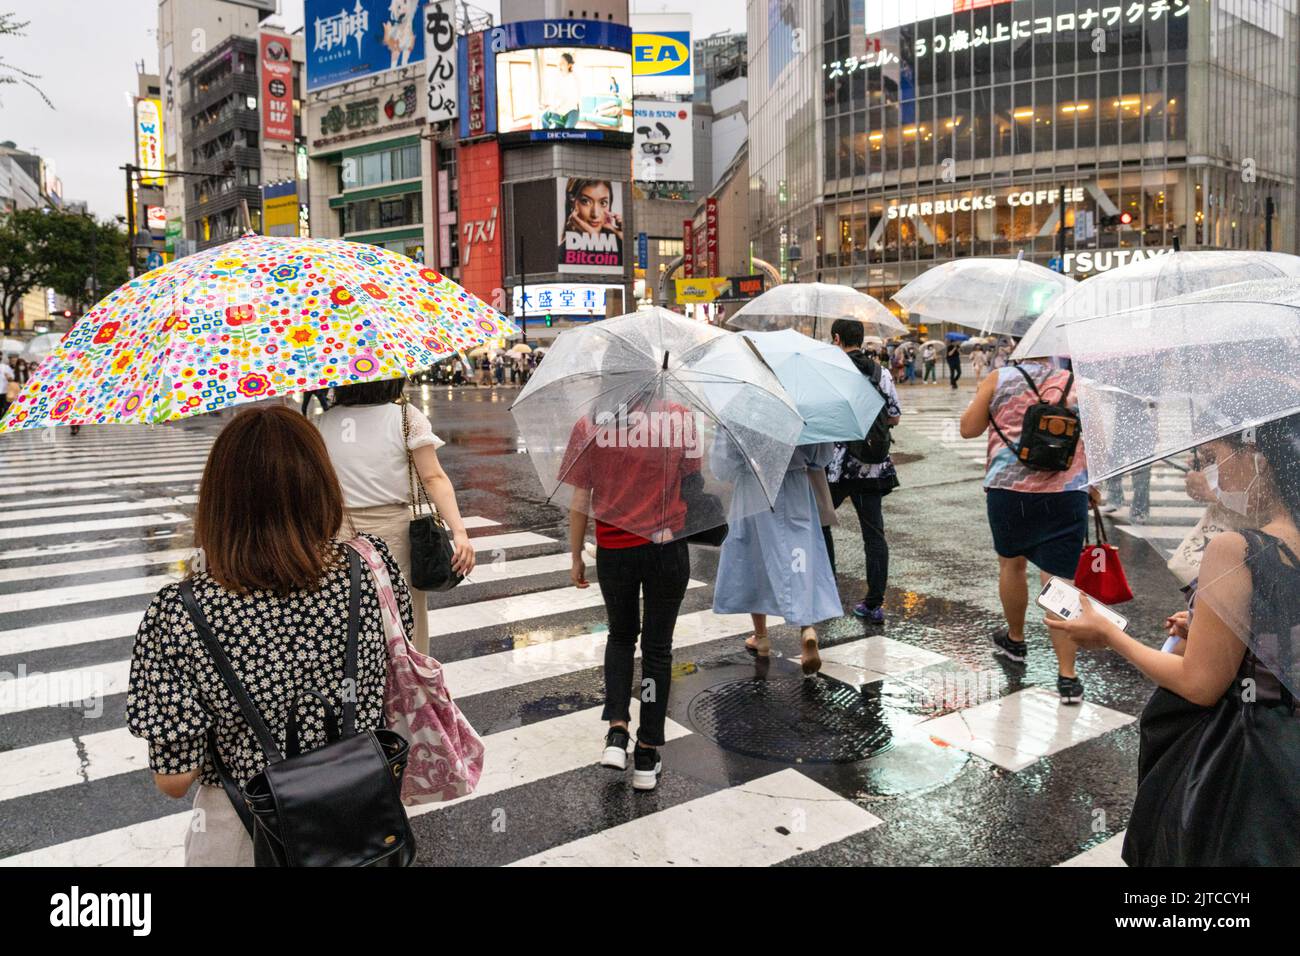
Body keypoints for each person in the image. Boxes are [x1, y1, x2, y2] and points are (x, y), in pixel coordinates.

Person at [125, 404, 413, 866]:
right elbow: (392, 666)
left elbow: (174, 780)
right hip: (359, 819)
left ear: (219, 499)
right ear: (321, 486)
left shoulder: (179, 611)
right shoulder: (370, 566)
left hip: (244, 830)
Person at [1048, 415, 1300, 865]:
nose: (1207, 476)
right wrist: (1216, 630)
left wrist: (1108, 634)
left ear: (1258, 458)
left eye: (1214, 459)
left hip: (1250, 763)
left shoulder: (1237, 548)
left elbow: (1199, 683)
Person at [563, 398, 696, 792]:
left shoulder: (590, 422)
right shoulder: (678, 417)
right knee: (657, 649)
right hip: (666, 547)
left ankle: (617, 732)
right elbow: (693, 480)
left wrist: (575, 554)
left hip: (614, 550)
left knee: (621, 637)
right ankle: (647, 752)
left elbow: (580, 498)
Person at [960, 355, 1093, 703]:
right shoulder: (1077, 384)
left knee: (1011, 564)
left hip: (1008, 491)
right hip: (1066, 492)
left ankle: (1016, 641)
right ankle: (1068, 677)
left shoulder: (999, 378)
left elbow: (968, 429)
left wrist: (985, 397)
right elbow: (1099, 444)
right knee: (1060, 582)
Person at [318, 377, 475, 655]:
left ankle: (360, 686)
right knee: (404, 617)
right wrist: (459, 532)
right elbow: (433, 477)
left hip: (337, 533)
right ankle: (409, 683)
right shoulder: (405, 417)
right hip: (393, 533)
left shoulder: (321, 423)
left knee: (349, 615)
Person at [714, 441, 841, 674]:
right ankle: (806, 627)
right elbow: (821, 457)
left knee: (754, 558)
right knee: (799, 556)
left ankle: (761, 636)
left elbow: (722, 466)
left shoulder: (740, 409)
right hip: (796, 487)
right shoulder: (807, 409)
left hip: (754, 487)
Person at [826, 318, 902, 623]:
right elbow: (894, 416)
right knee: (874, 535)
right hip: (870, 465)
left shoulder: (829, 371)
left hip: (834, 466)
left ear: (836, 338)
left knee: (819, 525)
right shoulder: (879, 372)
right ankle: (873, 604)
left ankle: (825, 591)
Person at [541, 51, 581, 129]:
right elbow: (554, 93)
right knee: (544, 118)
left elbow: (571, 97)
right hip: (559, 109)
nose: (559, 65)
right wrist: (548, 103)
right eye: (559, 63)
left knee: (568, 130)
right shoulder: (557, 77)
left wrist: (554, 105)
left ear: (569, 65)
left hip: (571, 109)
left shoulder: (574, 78)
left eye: (562, 63)